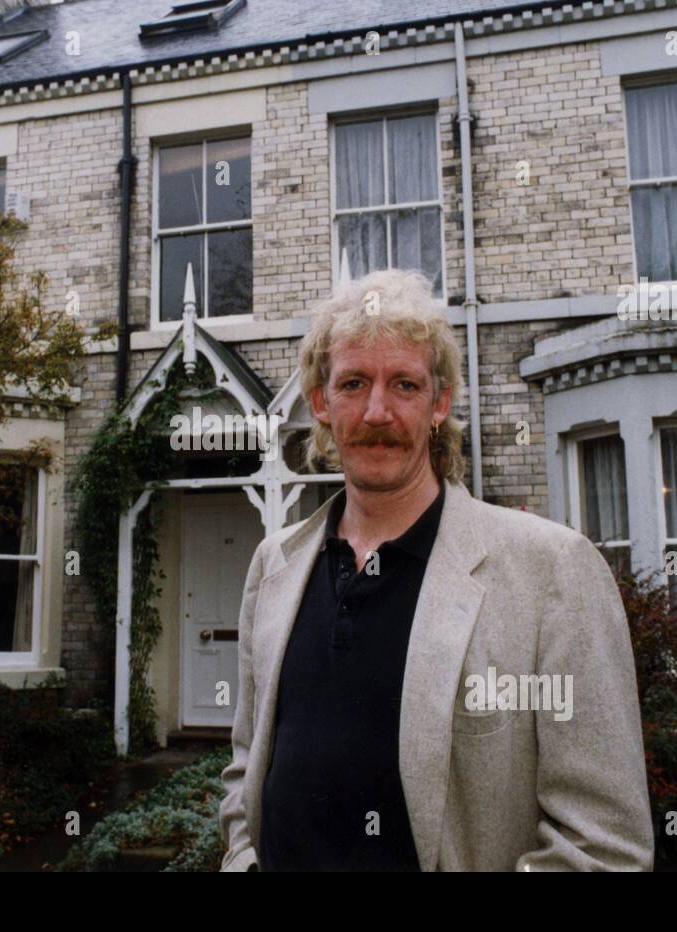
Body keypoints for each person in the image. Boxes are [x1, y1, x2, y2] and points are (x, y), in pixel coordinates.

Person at [218, 269, 654, 872]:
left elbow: (603, 847)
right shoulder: (275, 565)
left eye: (404, 384)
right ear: (320, 401)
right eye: (353, 383)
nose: (377, 412)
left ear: (439, 403)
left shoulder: (552, 571)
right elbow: (246, 771)